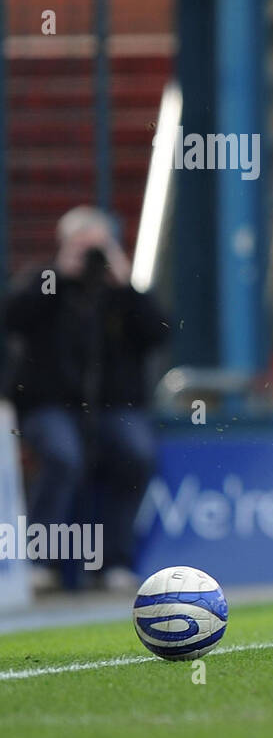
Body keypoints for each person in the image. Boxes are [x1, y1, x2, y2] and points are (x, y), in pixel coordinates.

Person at [3, 207, 169, 592]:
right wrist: (60, 275)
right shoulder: (44, 280)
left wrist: (125, 285)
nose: (90, 258)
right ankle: (41, 561)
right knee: (64, 456)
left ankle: (114, 561)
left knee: (136, 453)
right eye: (82, 248)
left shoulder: (121, 293)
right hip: (49, 405)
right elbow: (13, 317)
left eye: (98, 248)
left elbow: (157, 333)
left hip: (114, 407)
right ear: (64, 246)